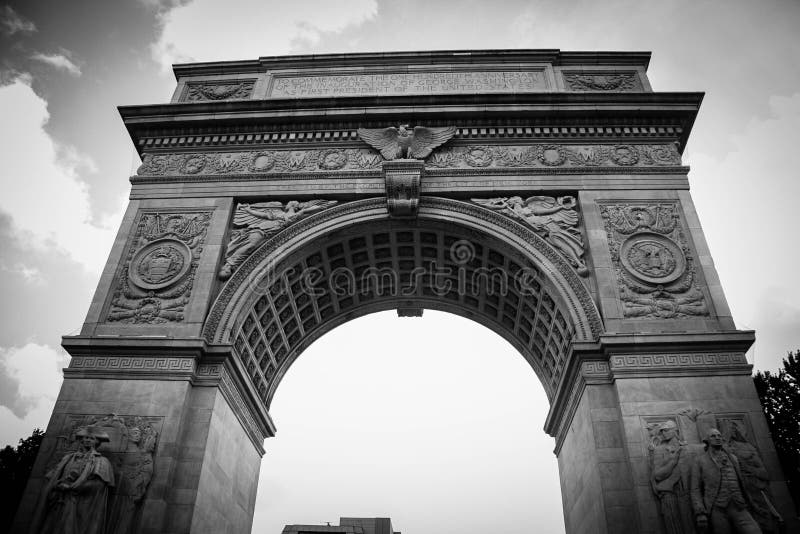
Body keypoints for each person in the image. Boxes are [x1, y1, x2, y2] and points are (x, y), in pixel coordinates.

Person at [36, 426, 115, 534]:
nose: (87, 440)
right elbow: (52, 477)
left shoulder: (101, 461)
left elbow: (99, 485)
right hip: (59, 501)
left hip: (80, 504)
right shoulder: (68, 458)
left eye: (91, 438)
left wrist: (74, 487)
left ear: (97, 442)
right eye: (86, 437)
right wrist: (58, 485)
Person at [690, 428, 761, 534]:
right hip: (717, 508)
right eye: (713, 436)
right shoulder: (700, 461)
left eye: (719, 435)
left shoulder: (733, 458)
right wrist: (700, 512)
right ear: (707, 440)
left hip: (738, 505)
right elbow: (695, 489)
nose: (717, 438)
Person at [650, 420, 694, 534]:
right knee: (674, 528)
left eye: (667, 430)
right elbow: (658, 475)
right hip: (670, 494)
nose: (664, 433)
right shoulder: (659, 450)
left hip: (688, 493)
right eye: (662, 431)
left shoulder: (688, 448)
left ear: (676, 430)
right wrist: (672, 461)